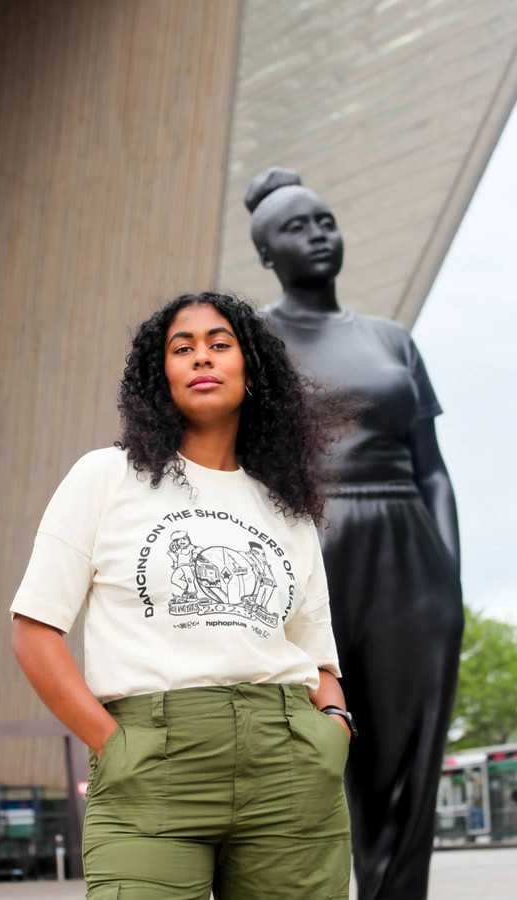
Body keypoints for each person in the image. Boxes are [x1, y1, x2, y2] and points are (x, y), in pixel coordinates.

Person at [11, 292, 354, 899]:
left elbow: (318, 656)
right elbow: (35, 630)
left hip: (290, 766)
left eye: (220, 345)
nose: (202, 358)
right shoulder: (106, 477)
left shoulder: (287, 507)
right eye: (182, 348)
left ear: (251, 371)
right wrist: (114, 746)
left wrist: (333, 730)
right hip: (152, 763)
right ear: (159, 374)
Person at [246, 168, 462, 900]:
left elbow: (432, 469)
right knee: (301, 772)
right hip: (309, 552)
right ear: (267, 254)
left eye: (325, 220)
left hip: (410, 562)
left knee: (406, 775)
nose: (318, 234)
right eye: (296, 227)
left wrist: (450, 582)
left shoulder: (392, 340)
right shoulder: (252, 343)